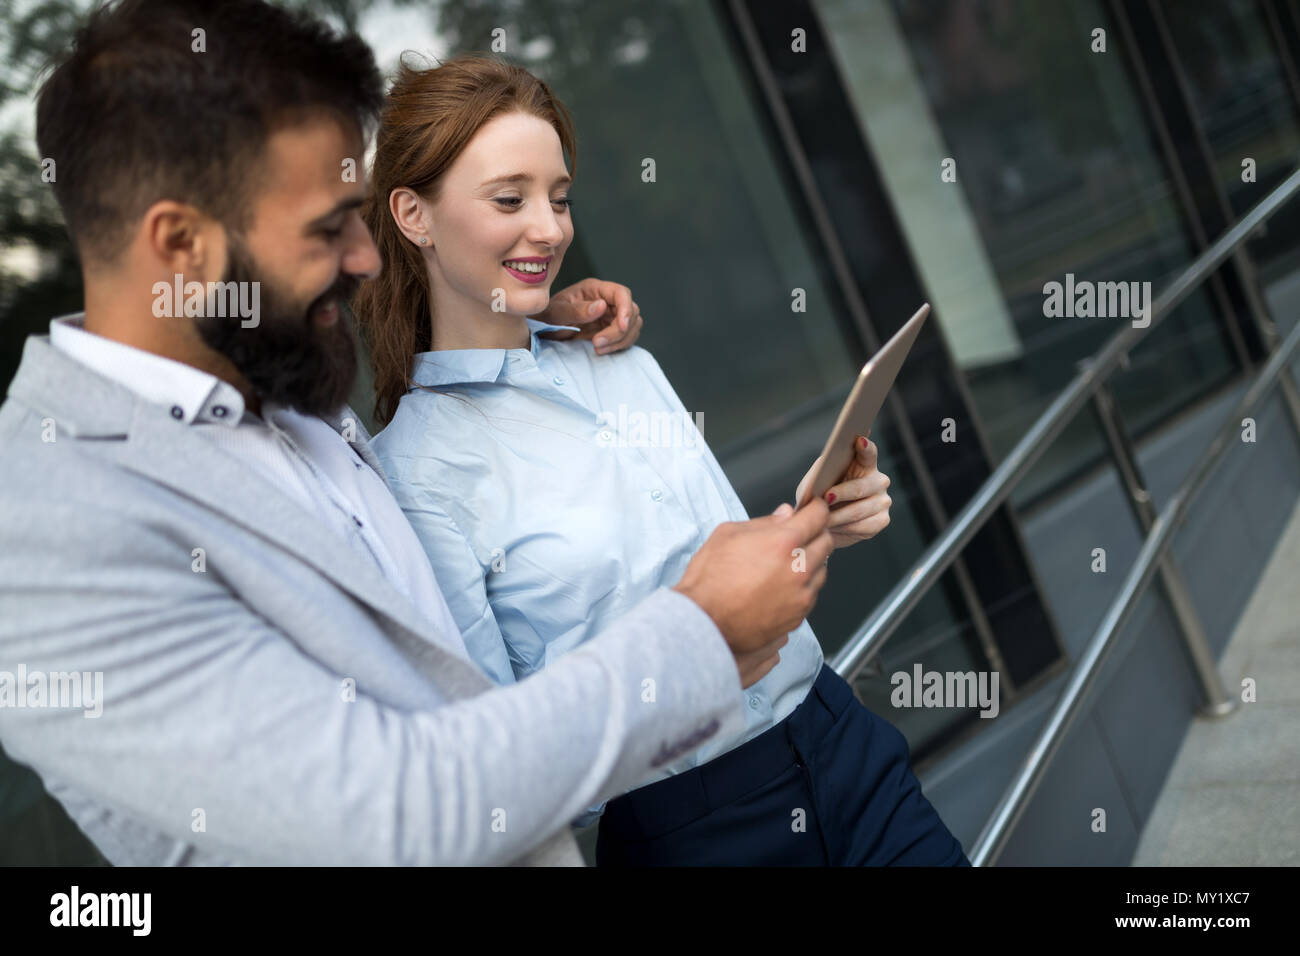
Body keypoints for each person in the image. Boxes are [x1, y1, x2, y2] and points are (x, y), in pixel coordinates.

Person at [0, 0, 836, 866]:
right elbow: (388, 814)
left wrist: (524, 306)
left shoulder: (274, 386)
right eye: (328, 229)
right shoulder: (41, 536)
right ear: (179, 244)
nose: (365, 257)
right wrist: (700, 633)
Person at [359, 56, 970, 866]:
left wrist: (819, 523)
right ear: (414, 216)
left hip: (842, 741)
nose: (549, 227)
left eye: (560, 196)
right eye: (510, 198)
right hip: (694, 832)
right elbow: (500, 750)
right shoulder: (414, 474)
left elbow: (709, 557)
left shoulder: (620, 358)